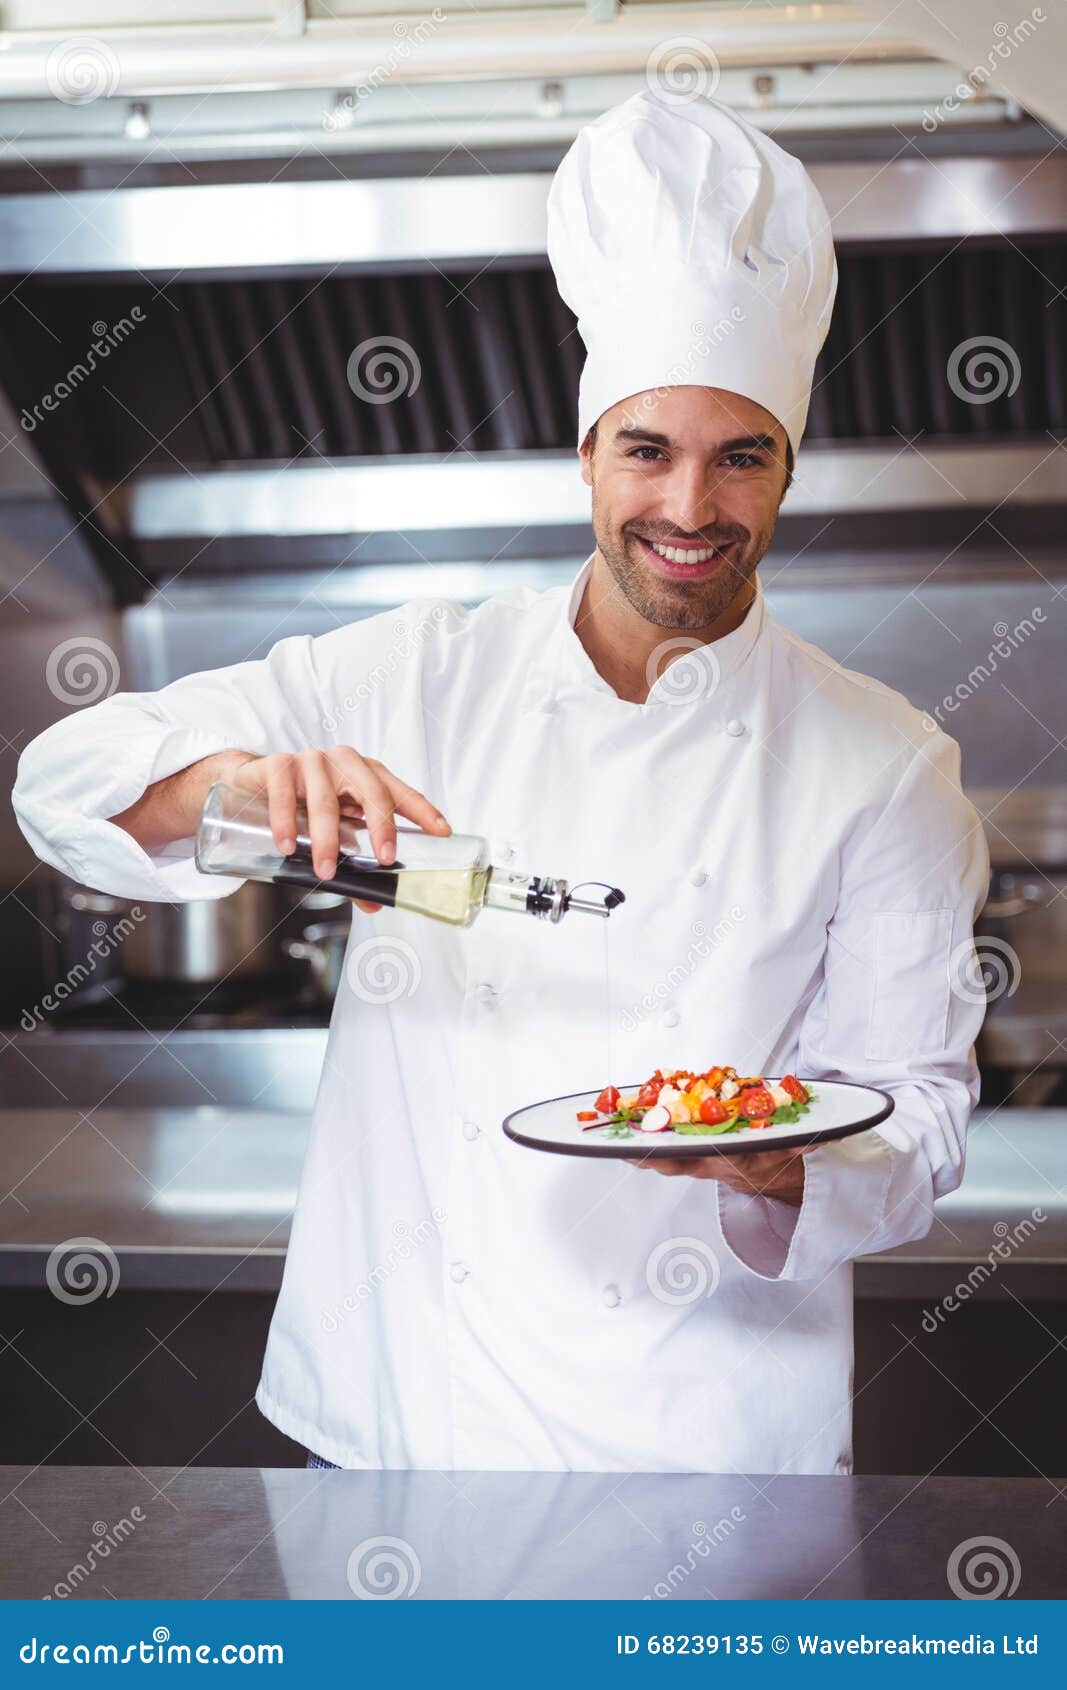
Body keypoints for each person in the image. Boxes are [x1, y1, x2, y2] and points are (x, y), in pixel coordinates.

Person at [13, 91, 989, 1476]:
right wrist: (240, 784)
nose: (691, 508)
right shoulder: (410, 674)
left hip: (710, 1454)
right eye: (648, 451)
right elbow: (60, 788)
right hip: (405, 1425)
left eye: (740, 457)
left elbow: (921, 1117)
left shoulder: (887, 765)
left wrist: (784, 1162)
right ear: (587, 454)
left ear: (787, 467)